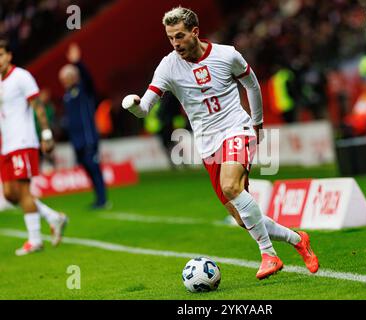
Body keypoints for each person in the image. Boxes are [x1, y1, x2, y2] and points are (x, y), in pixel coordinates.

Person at [121, 7, 319, 280]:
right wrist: (133, 107)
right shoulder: (168, 66)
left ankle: (268, 254)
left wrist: (258, 123)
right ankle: (298, 240)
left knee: (230, 185)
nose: (175, 43)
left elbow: (252, 85)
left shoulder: (227, 55)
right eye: (170, 38)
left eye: (179, 36)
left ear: (195, 31)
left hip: (237, 128)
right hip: (207, 144)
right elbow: (145, 107)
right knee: (241, 218)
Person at [0, 39, 67, 256]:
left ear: (9, 55)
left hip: (23, 142)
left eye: (0, 55)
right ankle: (53, 217)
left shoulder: (21, 76)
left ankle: (35, 240)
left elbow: (38, 106)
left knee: (23, 191)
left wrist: (46, 135)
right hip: (6, 145)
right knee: (10, 195)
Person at [59, 43, 109, 210]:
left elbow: (88, 77)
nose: (63, 82)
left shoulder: (84, 90)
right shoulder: (67, 95)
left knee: (94, 168)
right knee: (87, 169)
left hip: (88, 138)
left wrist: (77, 62)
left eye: (65, 78)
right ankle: (98, 198)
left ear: (73, 77)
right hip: (76, 140)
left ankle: (103, 200)